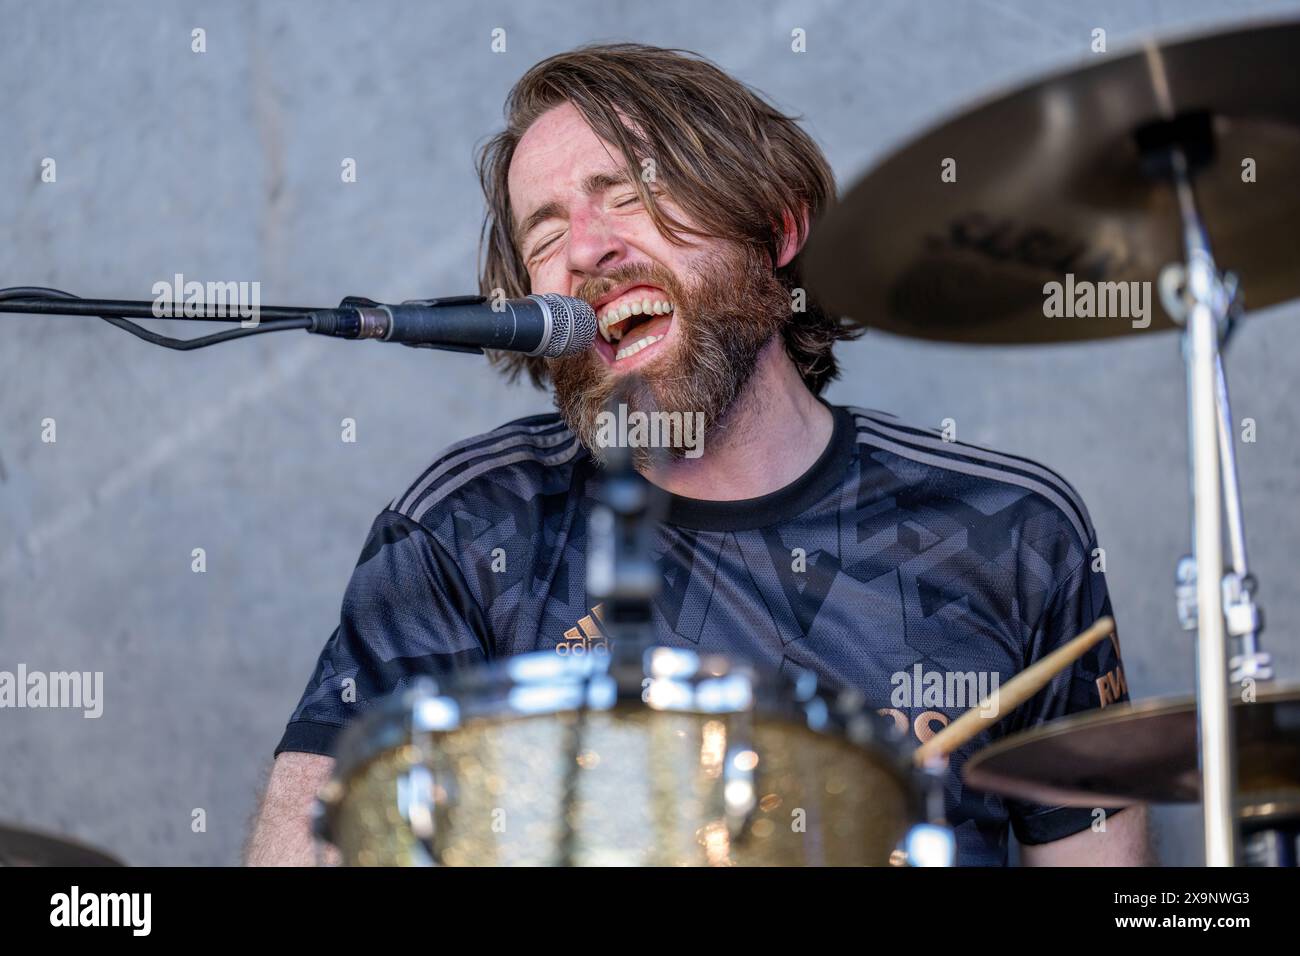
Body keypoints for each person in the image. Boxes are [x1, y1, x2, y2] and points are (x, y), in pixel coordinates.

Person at [247, 43, 1151, 866]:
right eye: (546, 236)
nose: (588, 251)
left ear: (779, 227)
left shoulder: (1012, 533)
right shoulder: (464, 530)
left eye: (629, 195)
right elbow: (307, 852)